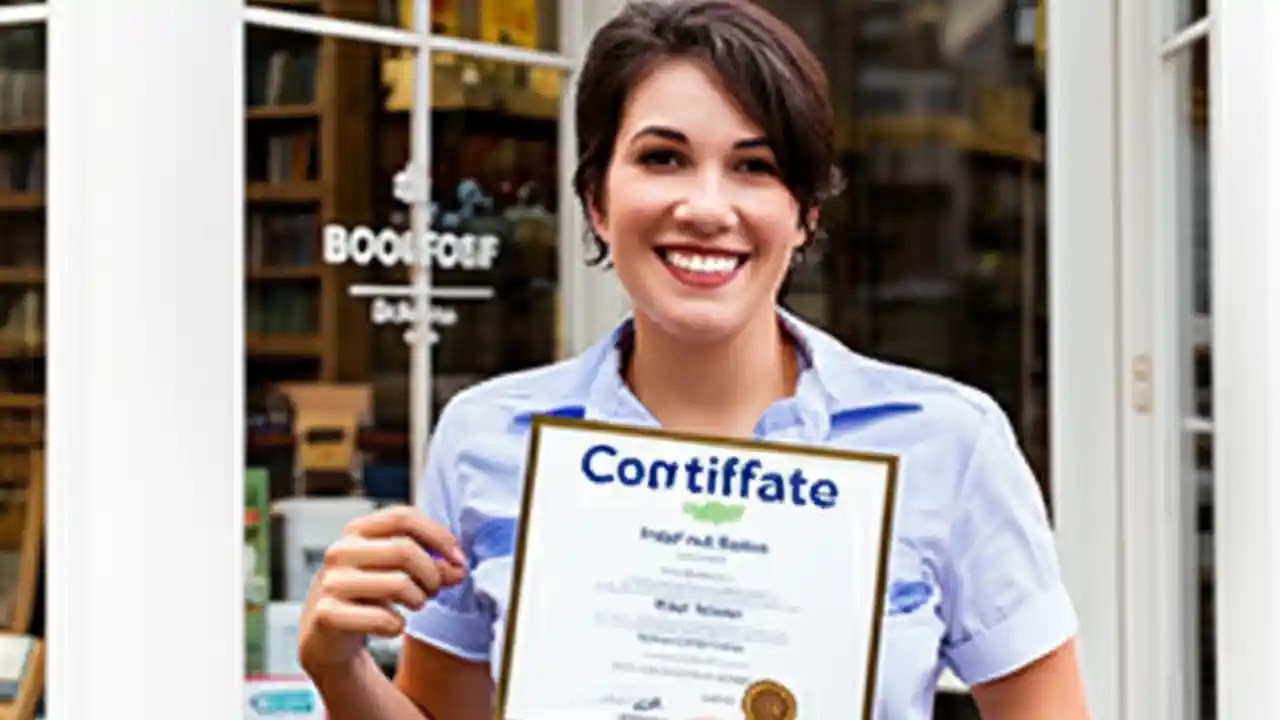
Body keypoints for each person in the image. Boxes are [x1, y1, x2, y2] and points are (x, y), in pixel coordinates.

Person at [296, 1, 1091, 718]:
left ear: (805, 216)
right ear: (598, 202)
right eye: (663, 158)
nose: (707, 208)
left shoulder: (949, 443)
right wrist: (338, 669)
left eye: (755, 166)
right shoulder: (486, 438)